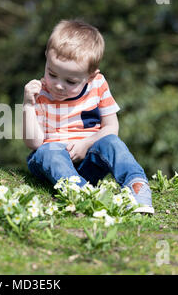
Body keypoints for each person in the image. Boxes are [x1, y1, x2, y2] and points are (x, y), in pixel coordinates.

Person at [22, 19, 154, 214]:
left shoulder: (98, 85)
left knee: (111, 142)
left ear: (91, 76)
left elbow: (111, 128)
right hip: (51, 162)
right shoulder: (39, 92)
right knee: (48, 152)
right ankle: (83, 195)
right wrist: (27, 105)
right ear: (46, 60)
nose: (58, 85)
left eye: (70, 81)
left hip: (88, 161)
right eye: (52, 73)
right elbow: (35, 143)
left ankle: (136, 186)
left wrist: (86, 144)